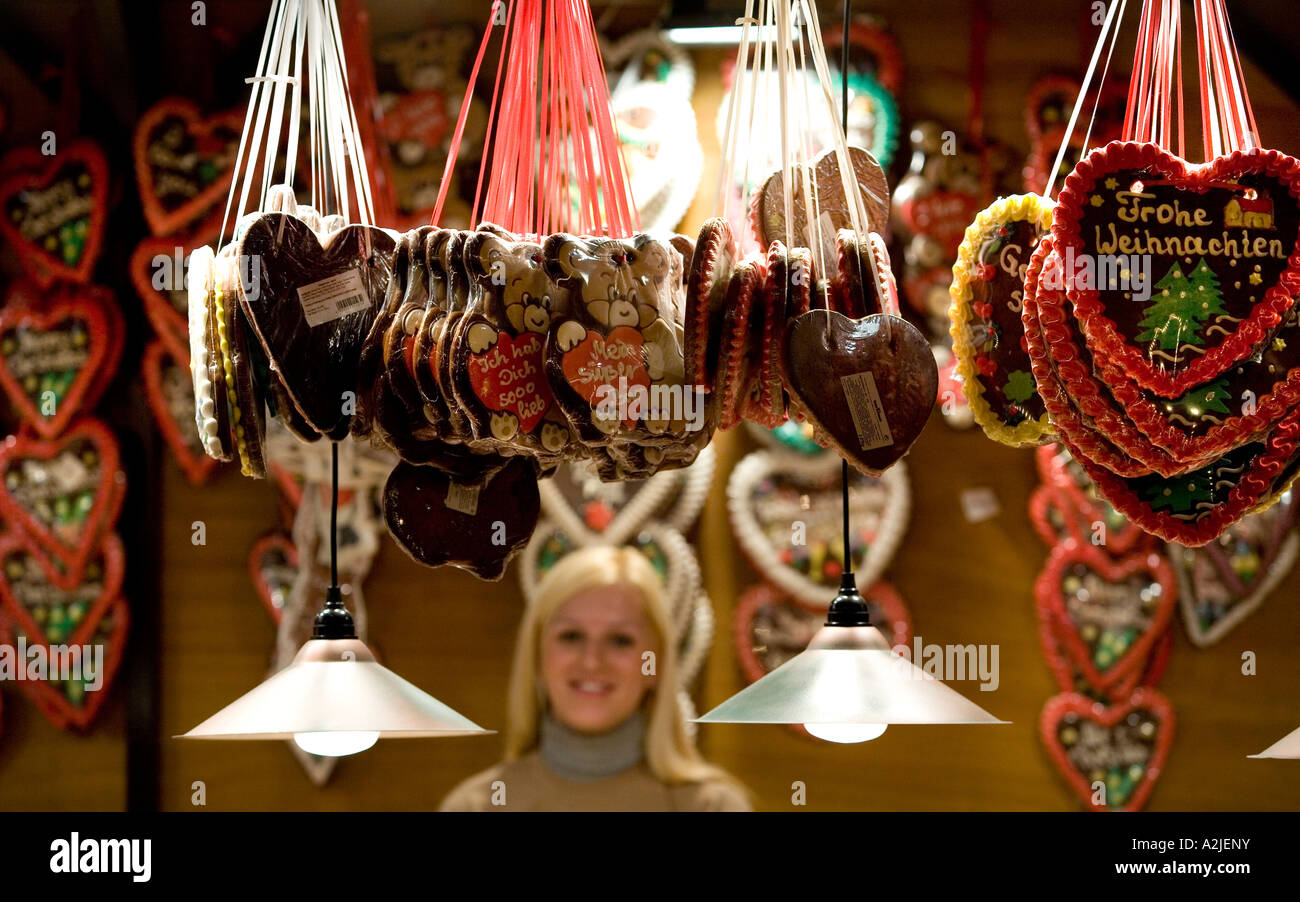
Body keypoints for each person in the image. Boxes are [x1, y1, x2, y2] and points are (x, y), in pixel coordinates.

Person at [440, 545, 751, 811]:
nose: (592, 661)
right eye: (571, 636)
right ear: (536, 655)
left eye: (620, 640)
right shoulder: (473, 805)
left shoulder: (712, 806)